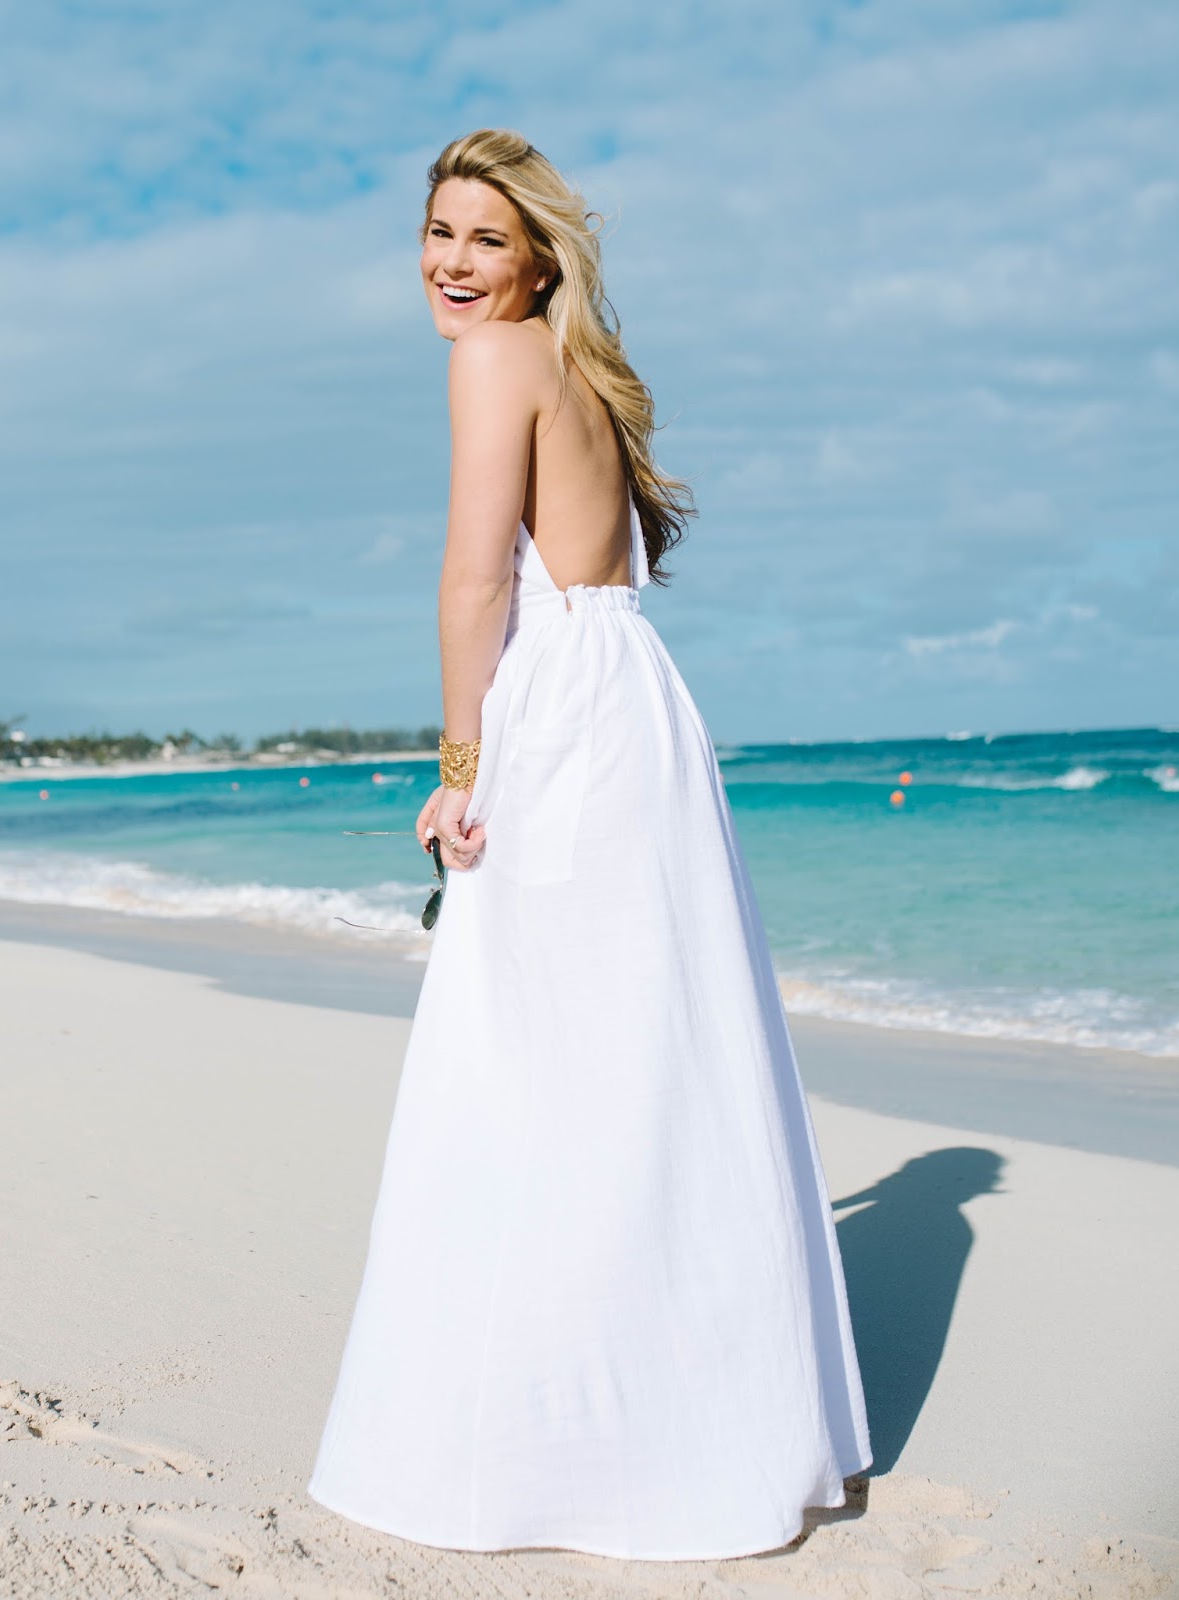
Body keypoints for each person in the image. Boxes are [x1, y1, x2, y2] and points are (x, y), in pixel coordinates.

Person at [307, 128, 871, 1561]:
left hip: (559, 711)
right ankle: (683, 1418)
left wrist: (454, 767)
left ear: (536, 258)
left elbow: (468, 577)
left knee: (530, 1059)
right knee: (643, 1063)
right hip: (632, 701)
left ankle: (569, 1439)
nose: (450, 263)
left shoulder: (494, 361)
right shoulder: (580, 378)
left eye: (484, 240)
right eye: (437, 234)